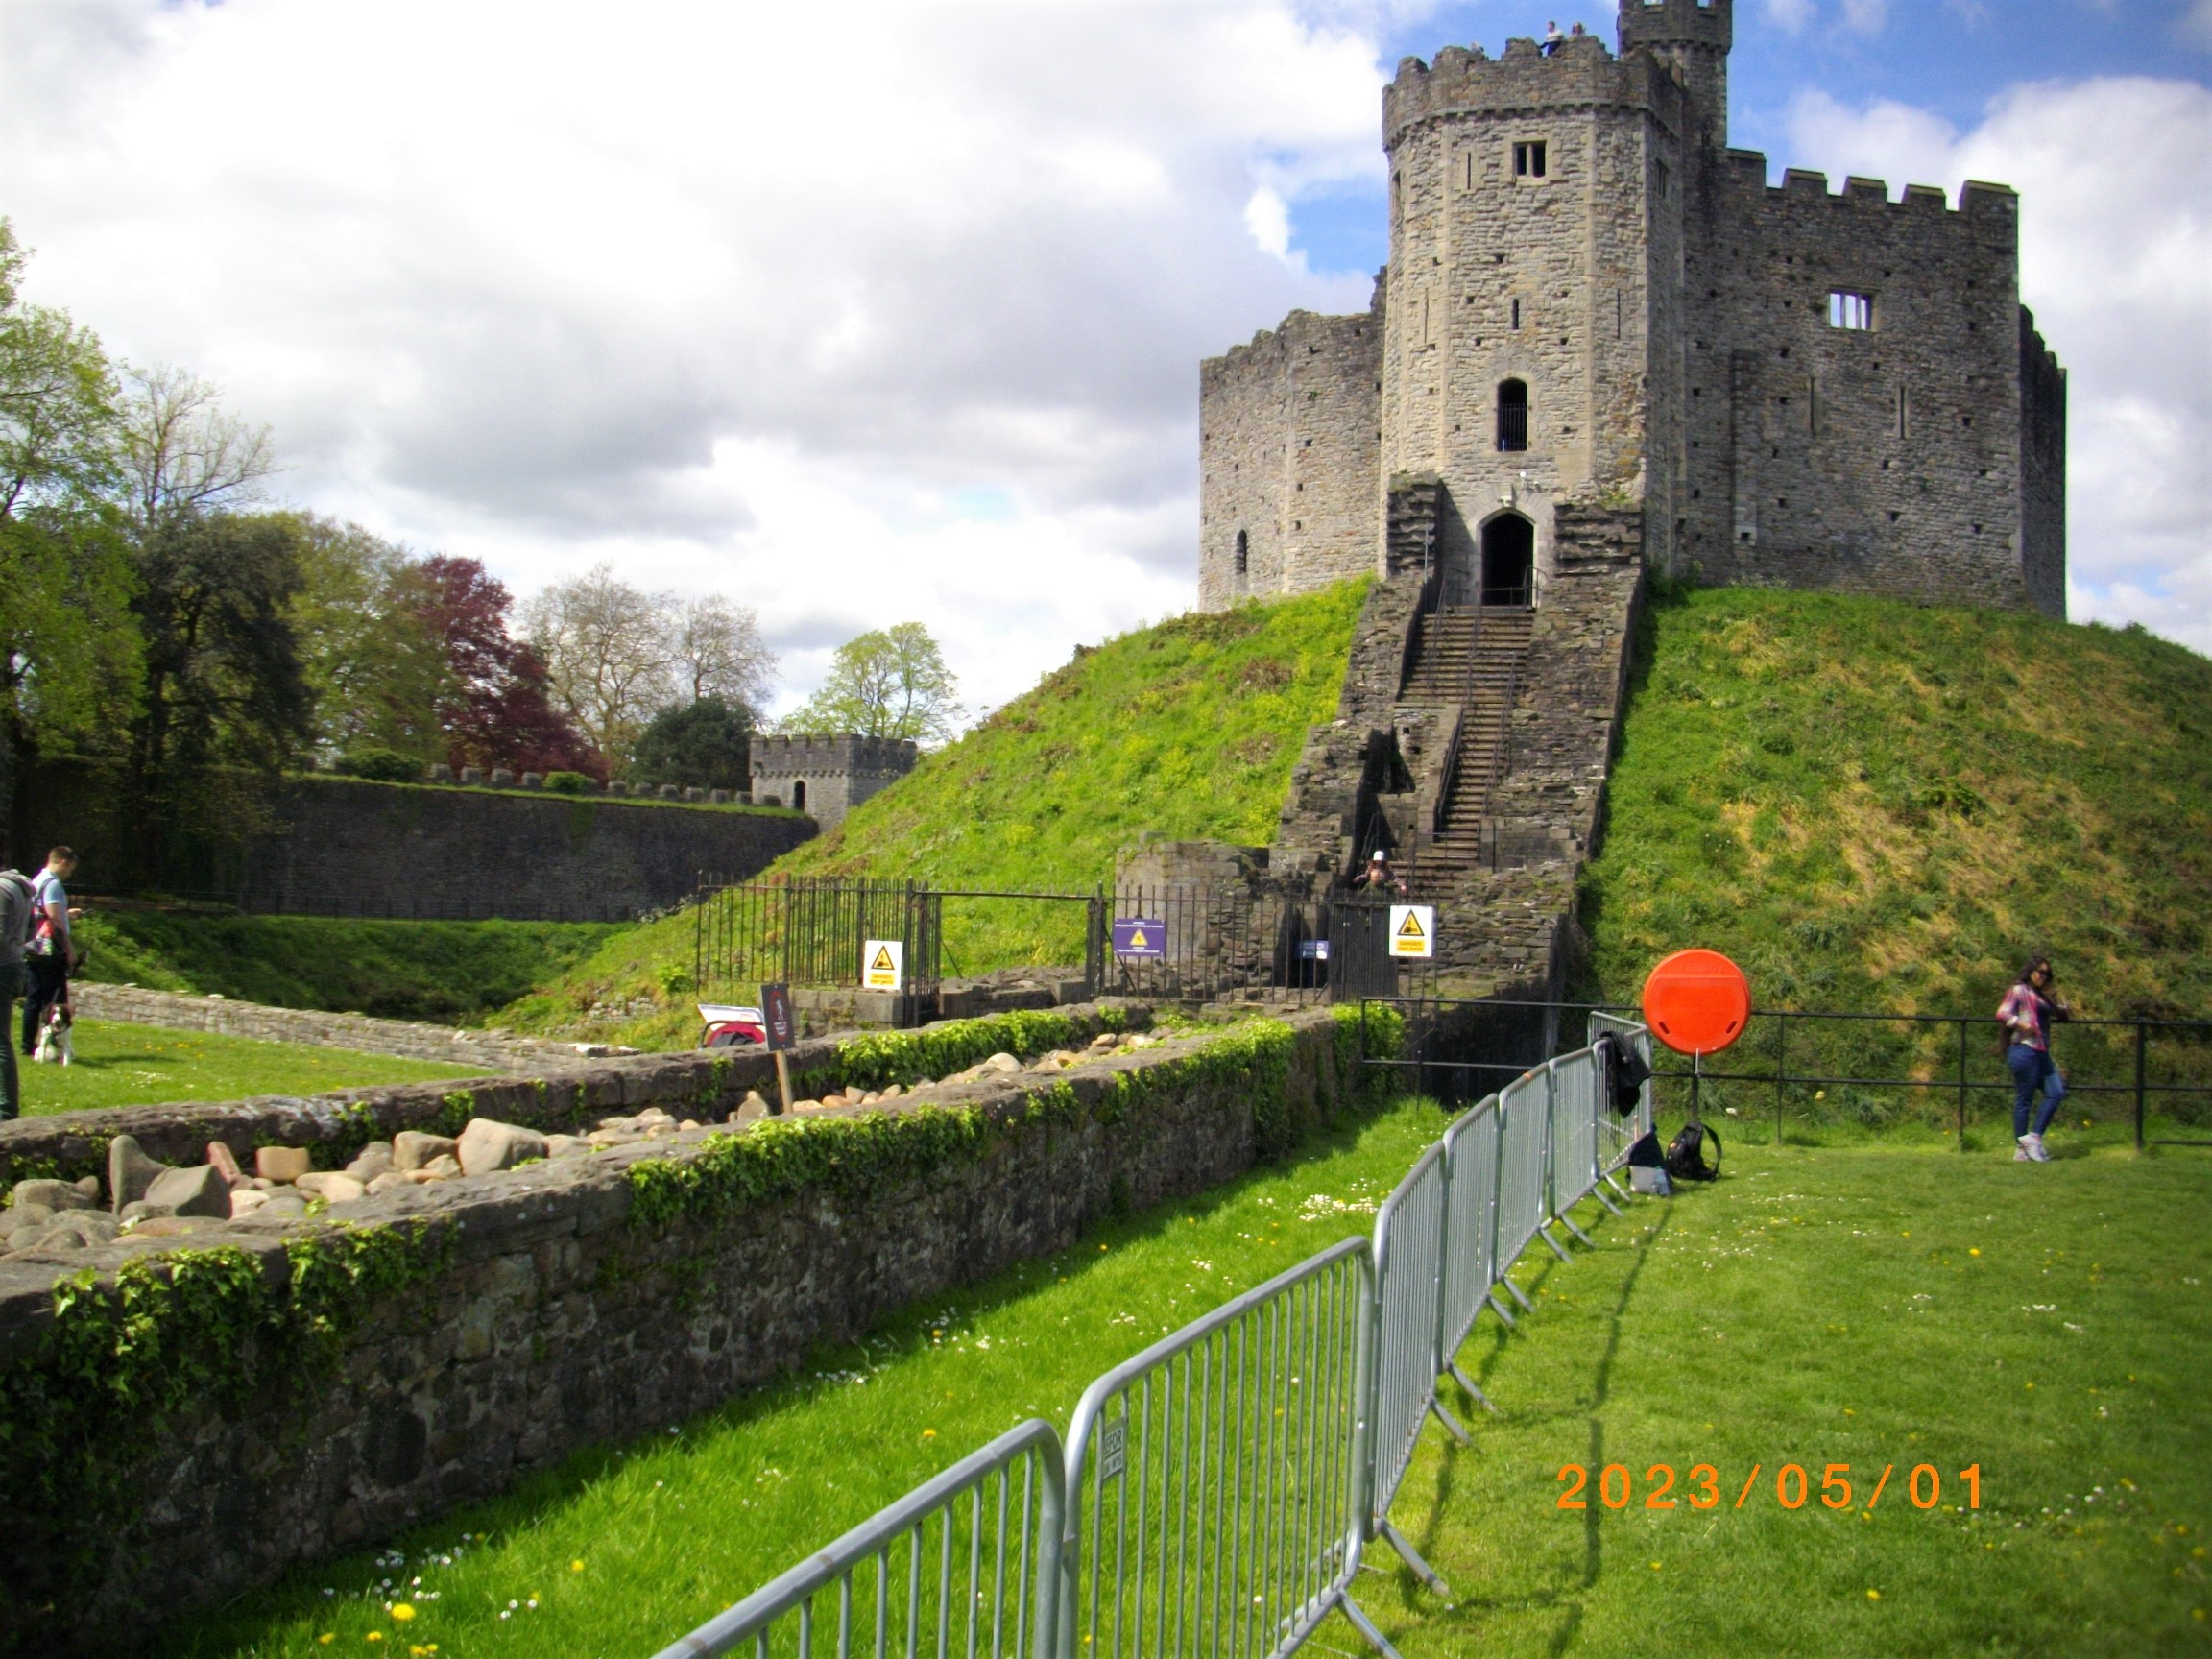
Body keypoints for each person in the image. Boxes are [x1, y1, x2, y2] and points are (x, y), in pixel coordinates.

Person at [1997, 954, 2070, 1163]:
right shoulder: (2019, 990)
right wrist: (2021, 1024)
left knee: (2056, 1092)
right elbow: (2003, 1012)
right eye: (2041, 972)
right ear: (2031, 971)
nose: (2044, 977)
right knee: (2025, 1099)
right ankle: (2022, 1148)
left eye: (2047, 974)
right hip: (2024, 1050)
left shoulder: (2040, 995)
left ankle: (2034, 1138)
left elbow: (2054, 1014)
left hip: (2041, 1052)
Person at [22, 847, 78, 1061]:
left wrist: (66, 913)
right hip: (51, 949)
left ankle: (28, 1044)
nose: (69, 874)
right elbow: (54, 920)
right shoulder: (53, 884)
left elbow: (43, 912)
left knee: (33, 997)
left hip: (35, 945)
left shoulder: (37, 880)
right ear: (63, 862)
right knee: (55, 999)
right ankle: (55, 1045)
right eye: (70, 870)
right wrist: (69, 948)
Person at [0, 866, 34, 1120]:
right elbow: (31, 932)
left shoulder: (2, 889)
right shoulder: (21, 889)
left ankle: (6, 1111)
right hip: (14, 966)